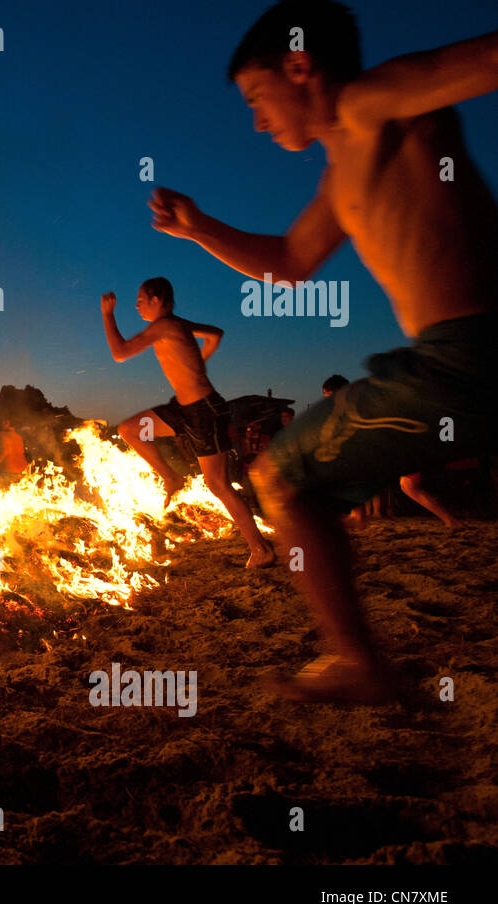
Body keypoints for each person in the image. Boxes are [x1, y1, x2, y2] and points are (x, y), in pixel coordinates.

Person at [149, 0, 498, 702]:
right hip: (452, 364)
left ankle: (357, 660)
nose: (256, 119)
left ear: (300, 65)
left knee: (280, 476)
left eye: (257, 96)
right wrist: (199, 230)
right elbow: (291, 260)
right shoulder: (343, 175)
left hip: (465, 360)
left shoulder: (374, 103)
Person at [103, 280, 275, 568]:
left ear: (157, 299)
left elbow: (119, 353)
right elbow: (215, 334)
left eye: (140, 299)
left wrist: (108, 314)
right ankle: (171, 476)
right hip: (184, 409)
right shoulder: (176, 324)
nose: (136, 305)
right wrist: (199, 363)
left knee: (218, 485)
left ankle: (261, 549)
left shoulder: (163, 327)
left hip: (204, 412)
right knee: (129, 429)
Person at [0, 418, 29, 483]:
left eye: (5, 422)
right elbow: (22, 452)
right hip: (23, 469)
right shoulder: (18, 436)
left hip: (9, 470)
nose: (2, 423)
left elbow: (4, 452)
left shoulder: (2, 435)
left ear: (8, 424)